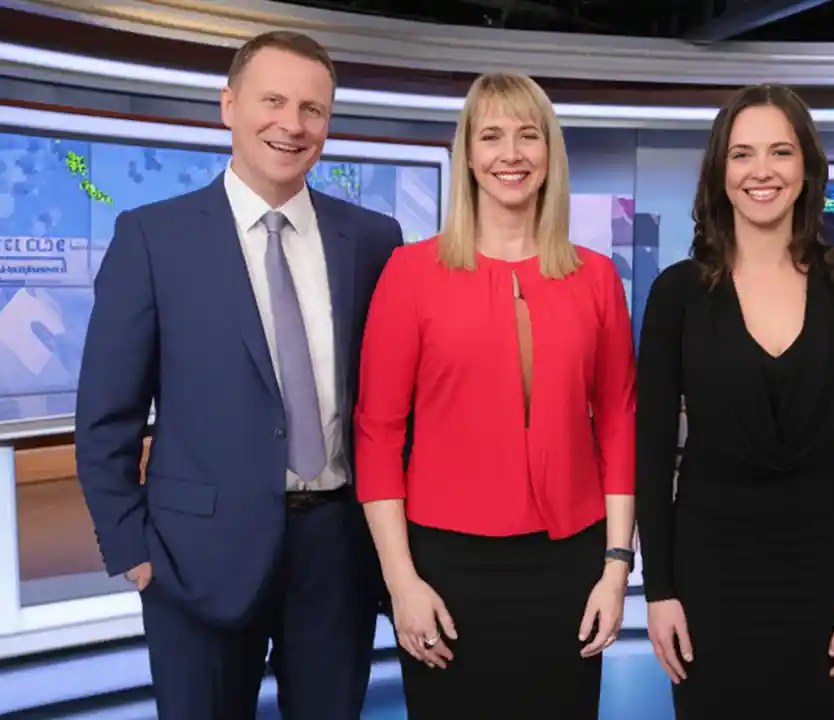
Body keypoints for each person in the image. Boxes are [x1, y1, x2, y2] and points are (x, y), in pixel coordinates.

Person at [75, 31, 402, 718]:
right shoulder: (153, 237)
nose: (292, 124)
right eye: (273, 101)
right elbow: (107, 414)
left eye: (312, 108)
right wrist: (133, 551)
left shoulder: (374, 240)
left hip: (337, 556)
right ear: (228, 106)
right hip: (193, 561)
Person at [353, 71, 636, 719]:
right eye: (492, 136)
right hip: (446, 567)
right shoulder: (410, 273)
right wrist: (401, 582)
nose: (511, 153)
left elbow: (619, 425)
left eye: (528, 135)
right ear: (468, 155)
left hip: (570, 562)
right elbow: (377, 434)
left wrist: (616, 568)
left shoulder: (595, 278)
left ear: (550, 152)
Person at [635, 83, 834, 719]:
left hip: (819, 566)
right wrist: (659, 590)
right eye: (743, 154)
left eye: (780, 152)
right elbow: (651, 449)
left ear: (805, 167)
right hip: (707, 569)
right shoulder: (678, 293)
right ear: (720, 173)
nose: (762, 171)